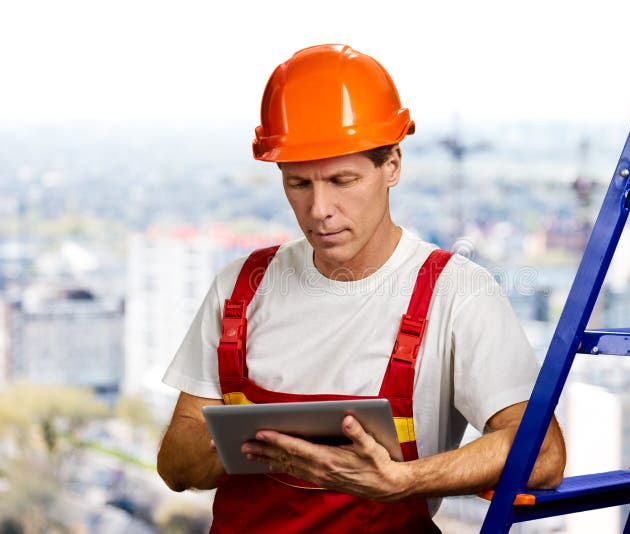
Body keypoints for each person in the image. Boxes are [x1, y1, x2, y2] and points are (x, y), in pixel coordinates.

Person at [157, 43, 566, 533]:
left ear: (392, 165)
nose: (319, 210)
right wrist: (261, 445)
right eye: (299, 184)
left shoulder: (457, 294)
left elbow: (542, 454)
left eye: (342, 180)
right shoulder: (241, 289)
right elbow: (175, 467)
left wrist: (402, 481)